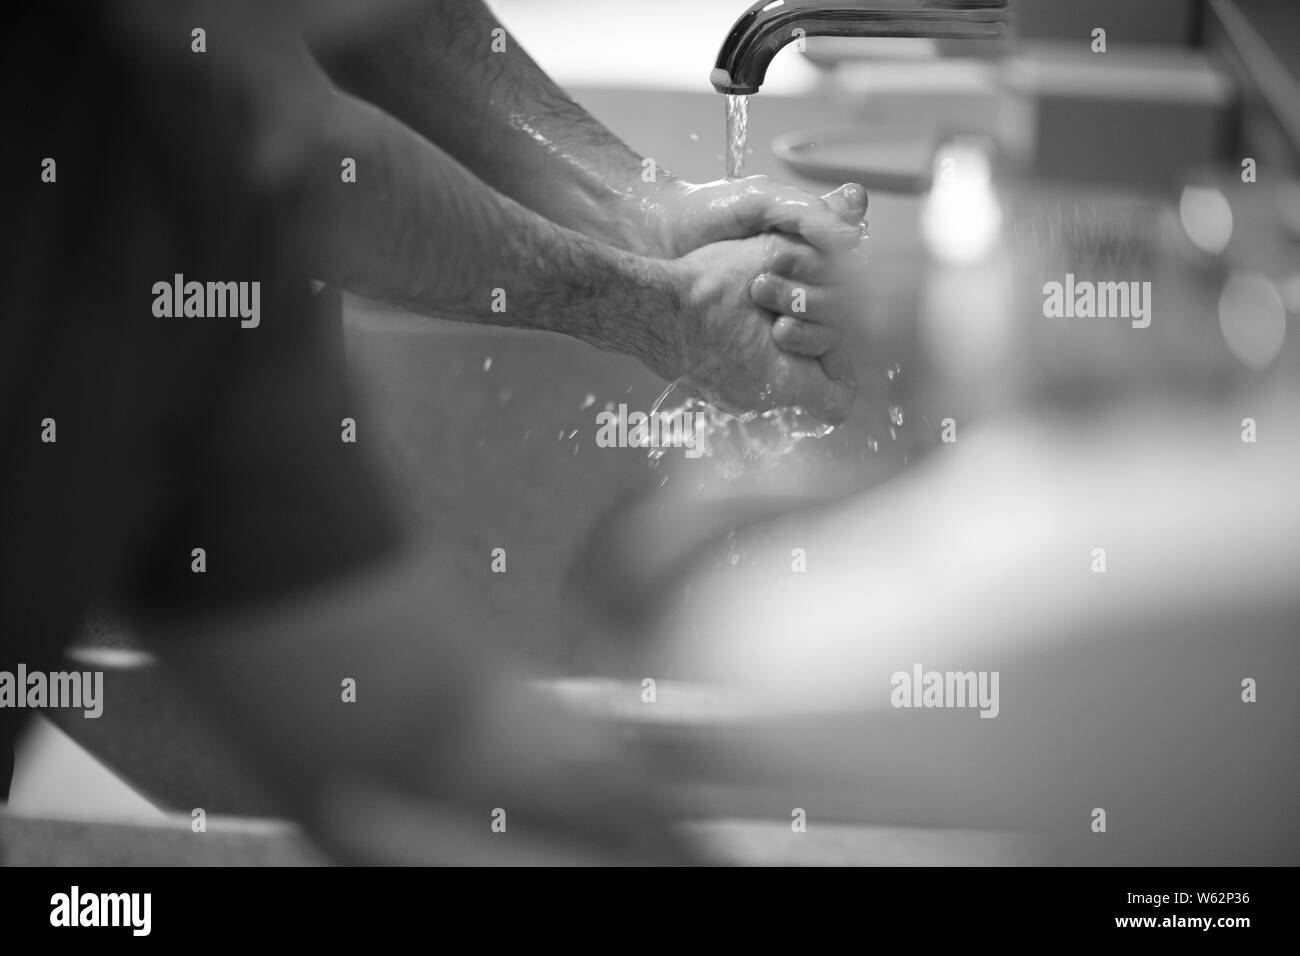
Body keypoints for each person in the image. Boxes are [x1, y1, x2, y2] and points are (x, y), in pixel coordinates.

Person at [0, 0, 865, 863]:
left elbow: (419, 737)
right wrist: (648, 298)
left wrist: (642, 224)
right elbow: (315, 143)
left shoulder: (199, 190)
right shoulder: (191, 151)